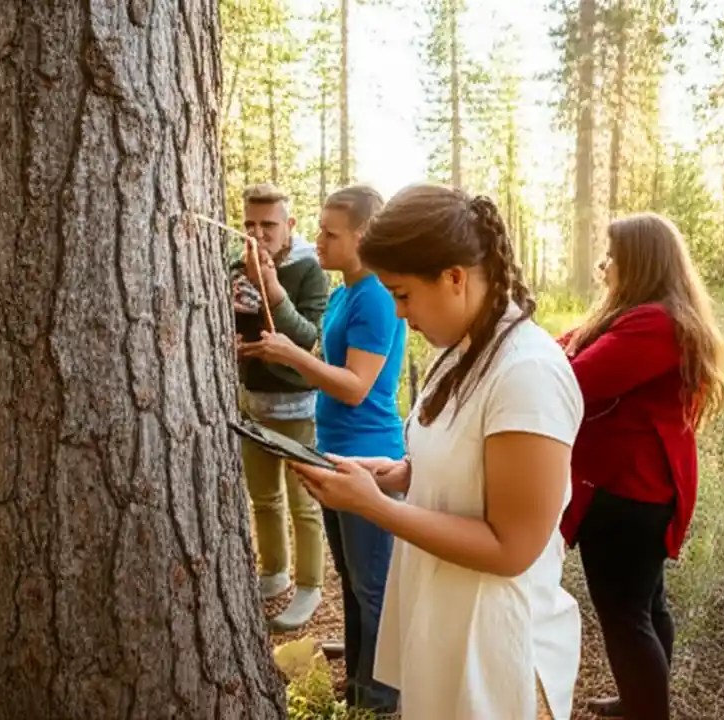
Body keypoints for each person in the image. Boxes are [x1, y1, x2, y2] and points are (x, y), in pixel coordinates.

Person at [287, 184, 583, 719]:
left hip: (495, 650)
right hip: (446, 624)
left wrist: (376, 508)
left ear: (454, 277)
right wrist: (398, 475)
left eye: (402, 294)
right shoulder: (464, 351)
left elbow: (511, 547)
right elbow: (466, 468)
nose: (399, 314)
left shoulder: (527, 373)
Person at [239, 185, 406, 712]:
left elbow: (356, 386)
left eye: (330, 233)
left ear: (363, 237)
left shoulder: (377, 296)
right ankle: (360, 687)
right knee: (356, 587)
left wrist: (292, 355)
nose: (318, 239)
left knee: (374, 589)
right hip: (334, 450)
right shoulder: (343, 292)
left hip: (369, 455)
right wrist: (277, 331)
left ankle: (380, 701)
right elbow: (319, 354)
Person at [556, 213, 724, 720]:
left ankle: (646, 708)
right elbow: (564, 346)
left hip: (627, 491)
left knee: (626, 616)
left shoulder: (654, 323)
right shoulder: (645, 315)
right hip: (640, 486)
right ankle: (640, 701)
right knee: (647, 607)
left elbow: (573, 377)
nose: (604, 266)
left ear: (639, 264)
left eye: (612, 256)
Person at [231, 183, 330, 630]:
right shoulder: (237, 267)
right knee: (264, 498)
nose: (257, 233)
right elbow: (235, 323)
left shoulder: (309, 271)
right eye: (249, 224)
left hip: (299, 406)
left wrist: (271, 287)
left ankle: (310, 586)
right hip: (253, 401)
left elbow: (306, 335)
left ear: (289, 225)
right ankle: (274, 574)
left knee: (304, 502)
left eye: (268, 224)